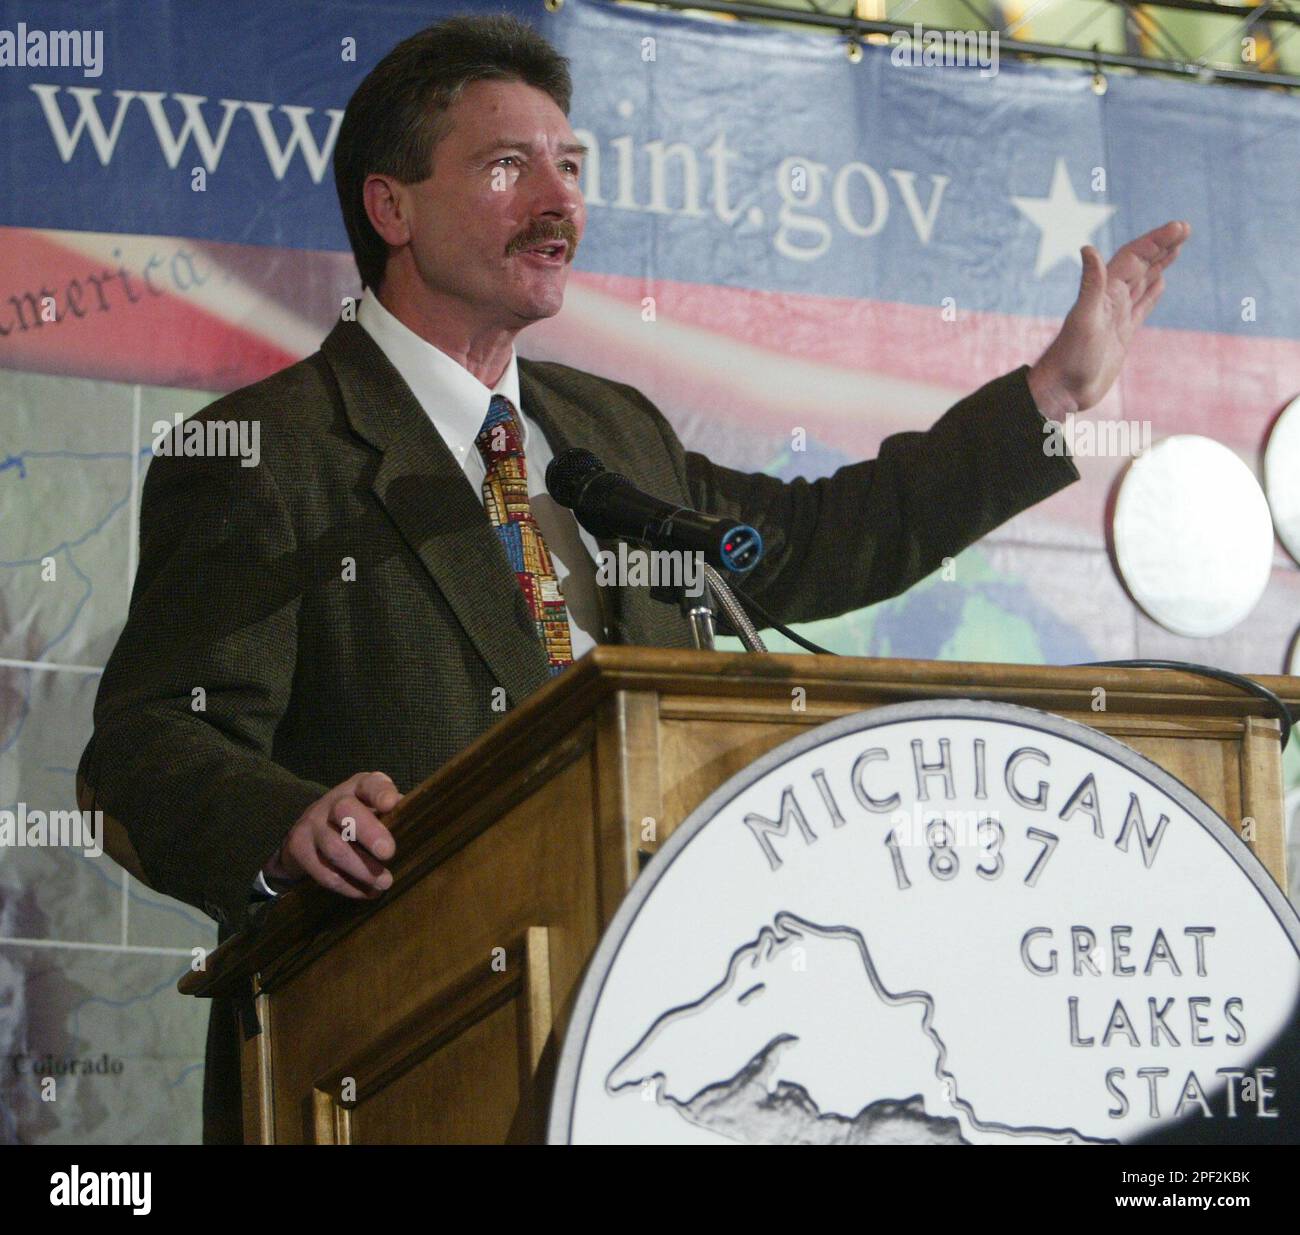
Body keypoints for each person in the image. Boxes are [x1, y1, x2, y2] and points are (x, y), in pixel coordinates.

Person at [76, 14, 1189, 1143]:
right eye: (508, 166)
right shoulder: (275, 452)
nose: (557, 201)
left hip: (649, 1049)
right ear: (391, 208)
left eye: (570, 166)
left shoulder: (607, 432)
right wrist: (291, 825)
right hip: (404, 1056)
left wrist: (1046, 395)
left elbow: (809, 540)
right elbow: (145, 744)